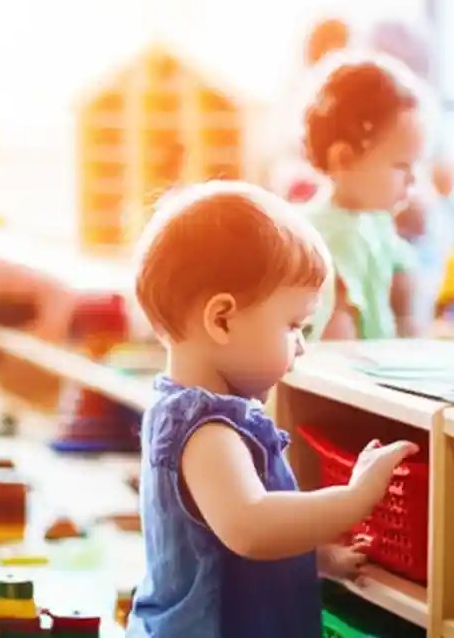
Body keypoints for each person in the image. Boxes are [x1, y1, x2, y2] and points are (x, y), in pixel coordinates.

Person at [128, 181, 418, 637]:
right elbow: (251, 527)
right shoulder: (206, 432)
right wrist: (355, 498)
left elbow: (230, 544)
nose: (301, 347)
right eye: (293, 325)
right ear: (222, 319)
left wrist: (318, 558)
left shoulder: (195, 414)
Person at [301, 56, 428, 340]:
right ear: (344, 159)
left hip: (375, 364)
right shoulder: (330, 237)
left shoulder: (375, 220)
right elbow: (337, 348)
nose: (413, 179)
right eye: (401, 166)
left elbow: (405, 291)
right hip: (342, 374)